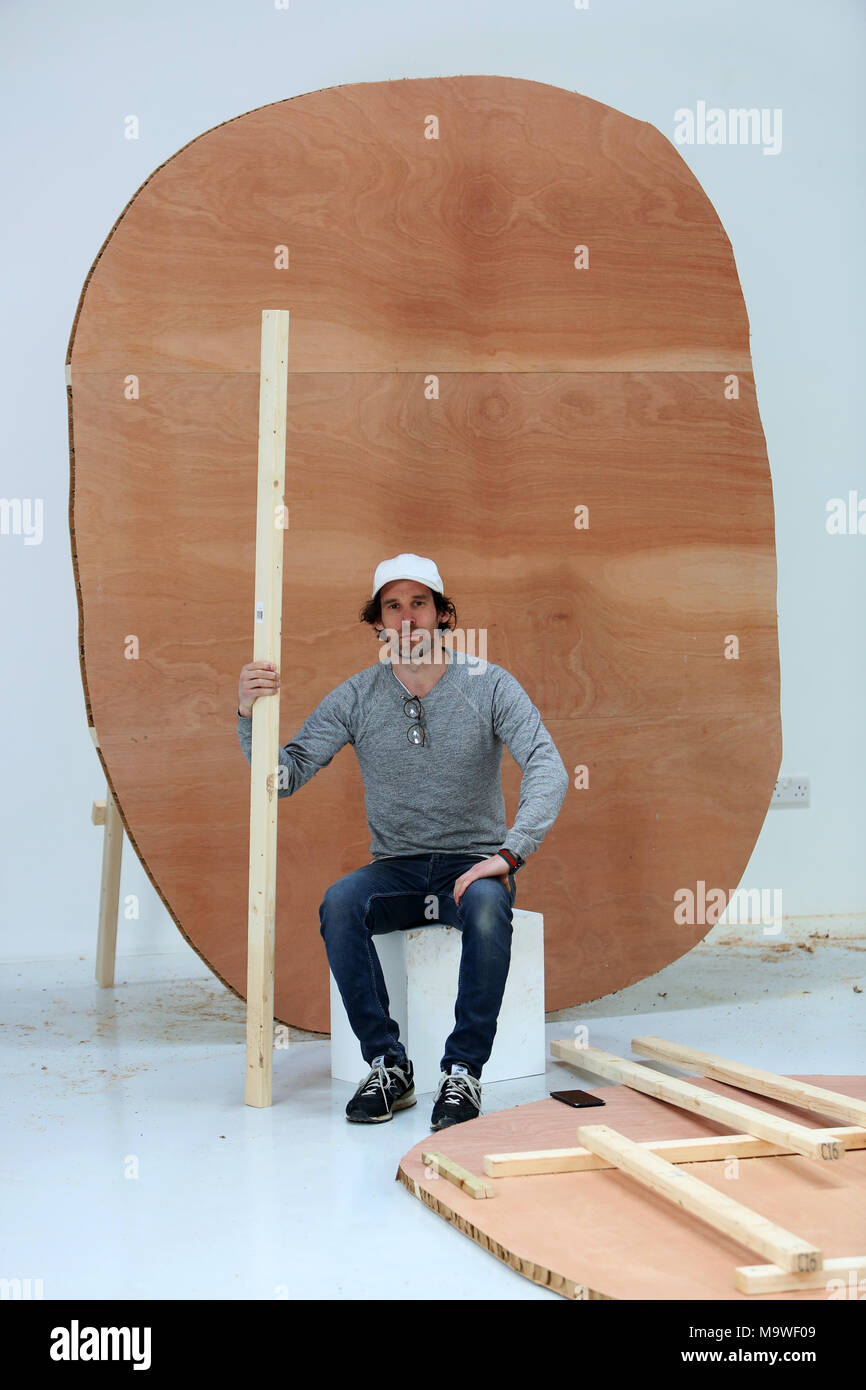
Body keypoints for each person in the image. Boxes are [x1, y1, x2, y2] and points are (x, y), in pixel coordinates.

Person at [237, 553, 569, 1130]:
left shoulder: (487, 685)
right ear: (379, 622)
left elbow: (547, 765)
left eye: (420, 603)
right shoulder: (358, 696)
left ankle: (463, 1073)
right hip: (397, 869)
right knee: (341, 902)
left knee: (491, 913)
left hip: (473, 867)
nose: (407, 618)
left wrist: (509, 854)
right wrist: (248, 714)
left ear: (443, 615)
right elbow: (282, 777)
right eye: (393, 606)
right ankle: (388, 1066)